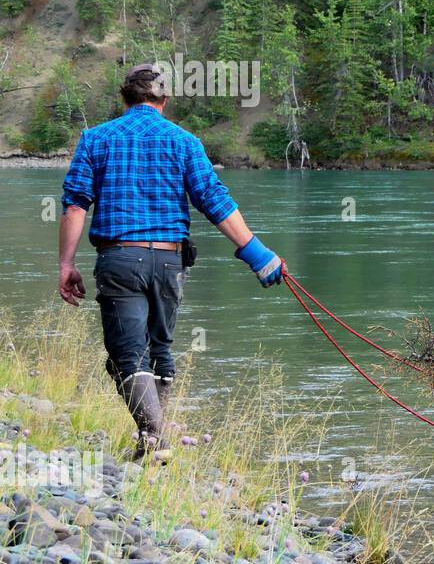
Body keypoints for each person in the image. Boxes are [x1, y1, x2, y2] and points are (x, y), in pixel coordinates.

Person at [57, 63, 285, 460]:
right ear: (164, 100)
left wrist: (66, 264)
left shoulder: (95, 139)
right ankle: (152, 442)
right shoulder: (185, 142)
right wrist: (258, 255)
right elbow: (214, 202)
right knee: (160, 348)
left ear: (124, 98)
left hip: (119, 259)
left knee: (129, 354)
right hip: (168, 262)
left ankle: (154, 438)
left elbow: (75, 205)